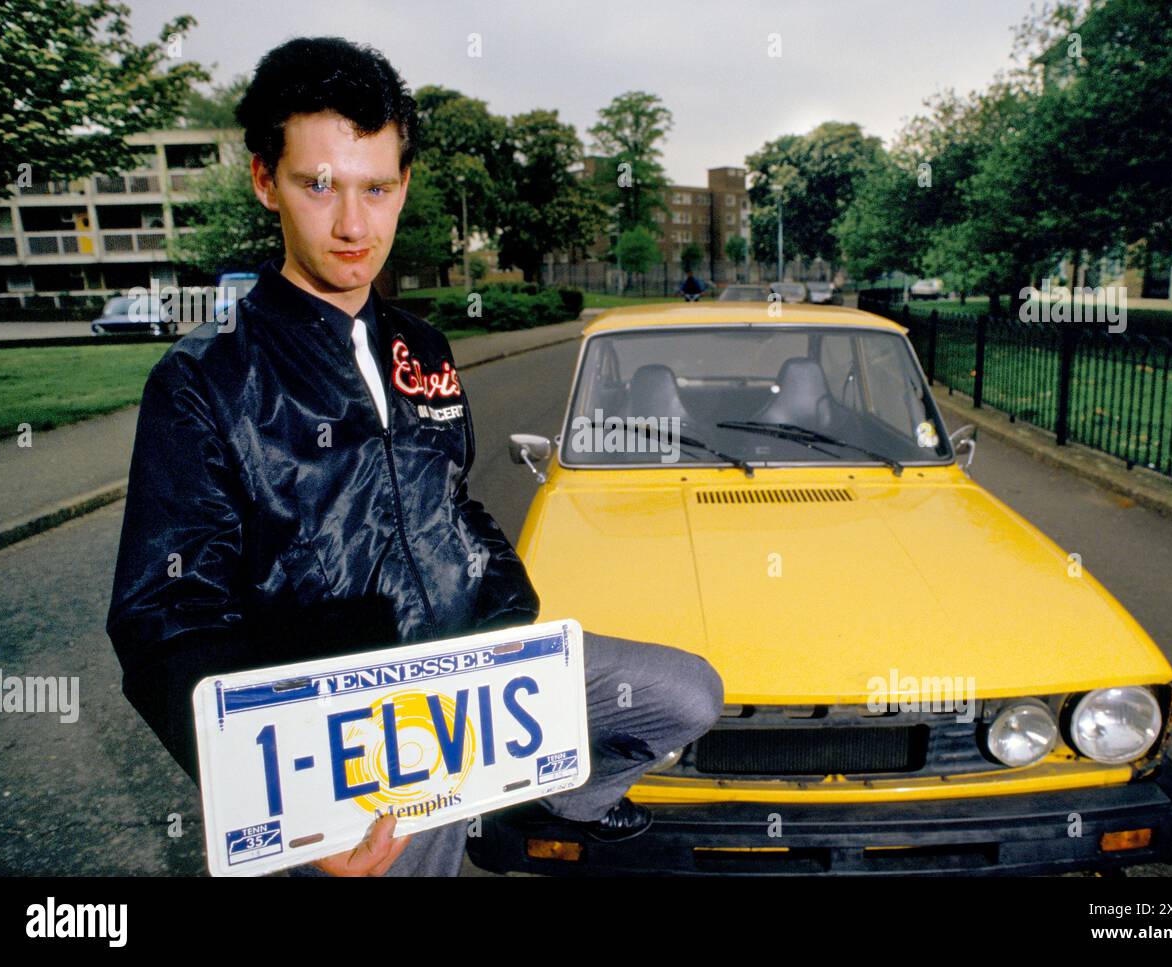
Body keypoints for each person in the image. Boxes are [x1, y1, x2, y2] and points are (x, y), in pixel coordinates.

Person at [105, 35, 724, 877]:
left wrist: (508, 612)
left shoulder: (421, 344)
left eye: (377, 188)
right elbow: (164, 618)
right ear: (264, 181)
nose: (354, 223)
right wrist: (294, 812)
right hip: (352, 730)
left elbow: (453, 494)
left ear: (404, 186)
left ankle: (531, 806)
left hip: (474, 671)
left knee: (685, 693)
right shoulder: (204, 378)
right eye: (318, 185)